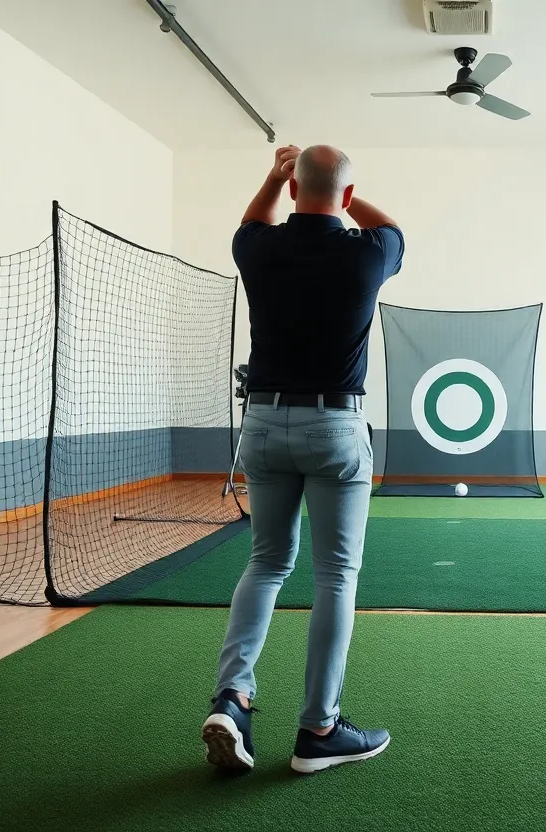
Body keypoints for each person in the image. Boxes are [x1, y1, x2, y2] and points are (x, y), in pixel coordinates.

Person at [200, 144, 404, 775]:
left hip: (262, 422)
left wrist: (274, 173)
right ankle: (319, 730)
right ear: (346, 197)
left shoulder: (259, 250)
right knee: (335, 576)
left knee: (266, 562)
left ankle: (232, 699)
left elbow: (250, 222)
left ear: (291, 190)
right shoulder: (369, 252)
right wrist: (344, 190)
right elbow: (388, 225)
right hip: (335, 425)